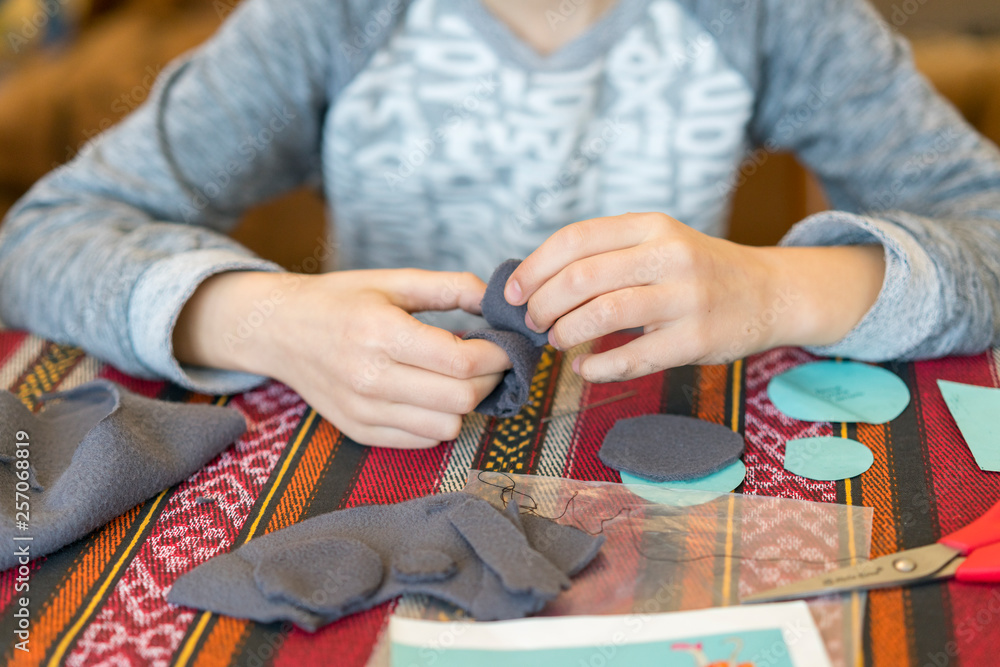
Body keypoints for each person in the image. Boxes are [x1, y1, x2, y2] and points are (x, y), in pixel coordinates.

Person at [1, 0, 998, 449]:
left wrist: (780, 289)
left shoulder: (777, 19)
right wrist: (260, 318)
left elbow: (982, 226)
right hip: (374, 460)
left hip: (646, 458)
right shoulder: (322, 21)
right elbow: (44, 237)